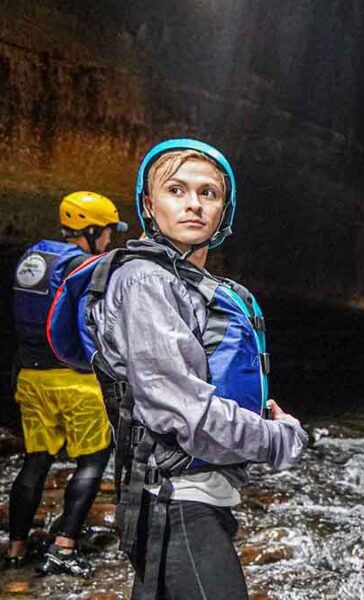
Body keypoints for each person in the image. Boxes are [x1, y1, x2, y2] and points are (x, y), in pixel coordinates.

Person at [82, 139, 307, 598]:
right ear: (149, 204)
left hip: (184, 498)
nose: (194, 204)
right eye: (176, 190)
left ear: (224, 210)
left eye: (209, 193)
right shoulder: (146, 280)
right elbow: (184, 414)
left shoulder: (186, 284)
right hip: (177, 500)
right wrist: (279, 439)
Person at [9, 191, 128, 576]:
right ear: (90, 230)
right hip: (76, 383)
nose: (109, 239)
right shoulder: (87, 266)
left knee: (36, 460)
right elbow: (91, 327)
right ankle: (64, 546)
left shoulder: (33, 258)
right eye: (107, 231)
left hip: (31, 378)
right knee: (93, 460)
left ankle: (16, 547)